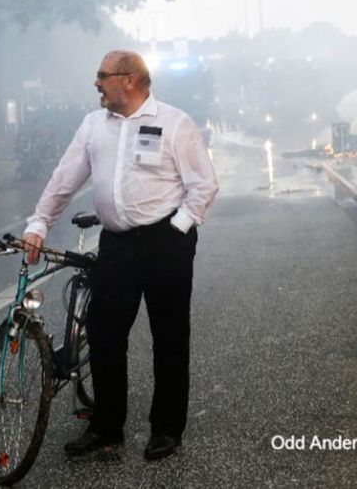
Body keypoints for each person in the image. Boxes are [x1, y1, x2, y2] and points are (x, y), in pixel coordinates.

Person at [21, 50, 219, 461]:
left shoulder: (174, 123)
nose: (96, 83)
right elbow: (64, 179)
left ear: (129, 79)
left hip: (166, 242)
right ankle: (106, 427)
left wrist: (179, 227)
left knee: (169, 337)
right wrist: (39, 222)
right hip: (115, 245)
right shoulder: (94, 125)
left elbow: (203, 184)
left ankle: (166, 429)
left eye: (103, 75)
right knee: (104, 334)